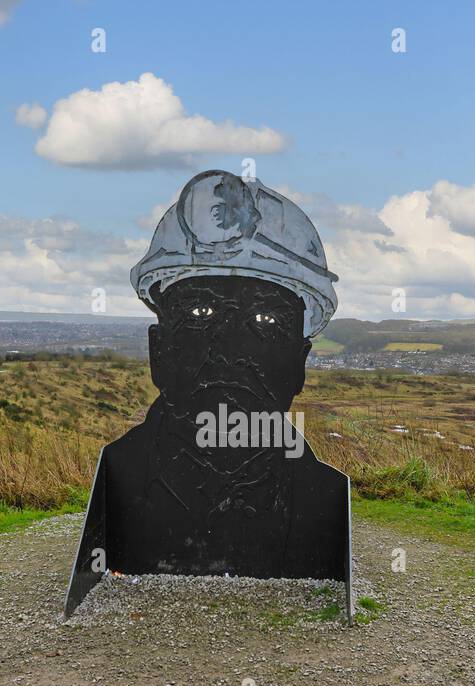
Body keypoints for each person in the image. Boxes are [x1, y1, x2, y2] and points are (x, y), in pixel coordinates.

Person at [66, 169, 351, 618]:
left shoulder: (322, 496)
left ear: (300, 362)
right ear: (157, 350)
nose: (230, 351)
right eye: (200, 312)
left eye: (266, 323)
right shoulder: (120, 475)